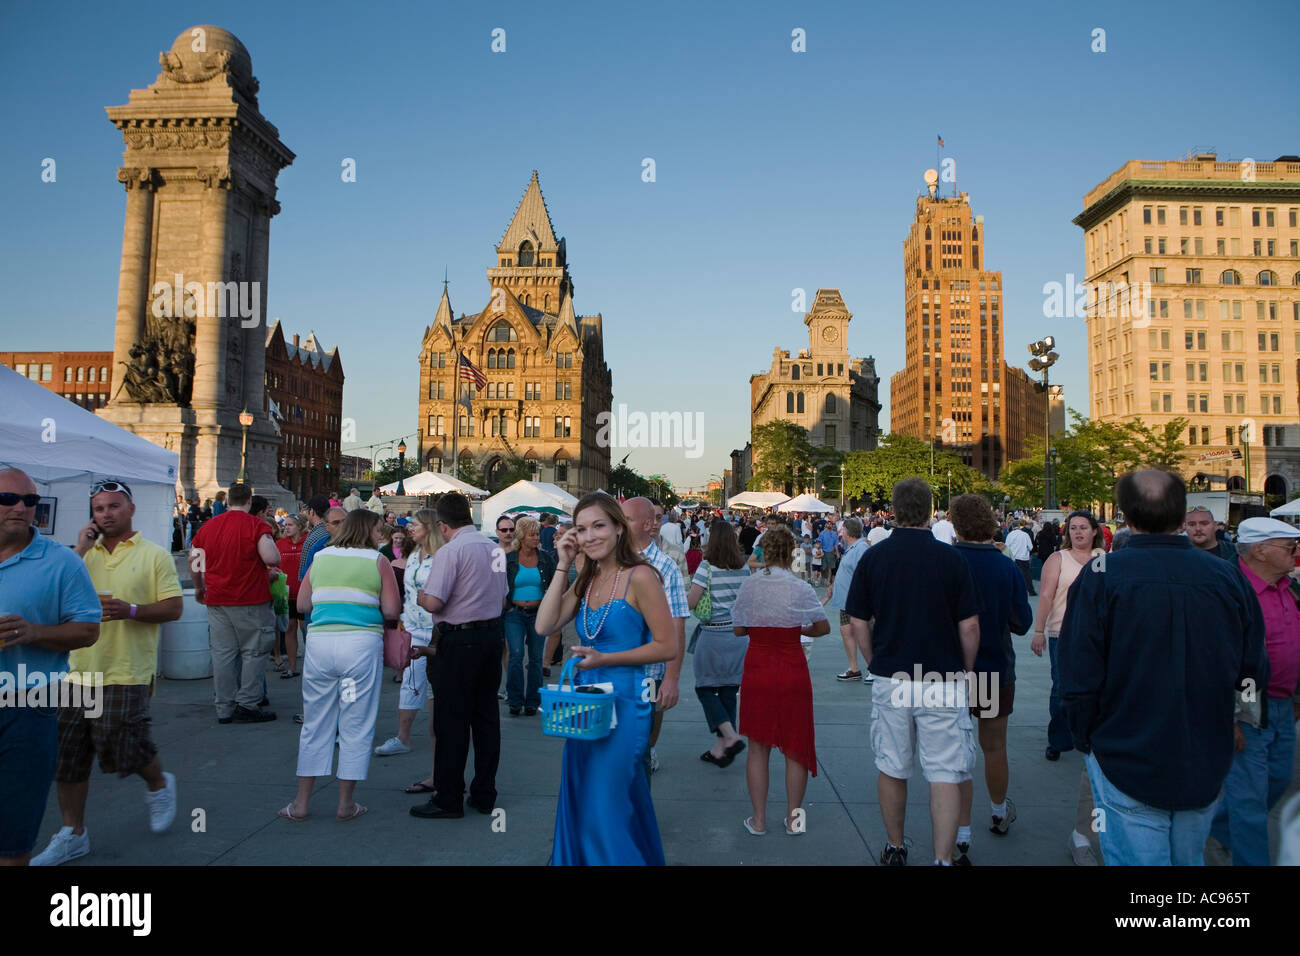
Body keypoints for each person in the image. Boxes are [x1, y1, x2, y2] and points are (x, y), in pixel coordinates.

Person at [1060, 470, 1263, 866]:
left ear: (1125, 516)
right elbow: (1252, 667)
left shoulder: (1102, 577)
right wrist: (1240, 717)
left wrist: (1085, 735)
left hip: (1124, 754)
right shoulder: (1226, 577)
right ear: (1181, 514)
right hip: (1202, 754)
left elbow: (1077, 671)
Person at [31, 480, 184, 866]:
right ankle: (73, 834)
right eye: (98, 508)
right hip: (73, 670)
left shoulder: (153, 555)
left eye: (113, 507)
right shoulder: (76, 555)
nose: (106, 515)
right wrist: (80, 547)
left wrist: (130, 610)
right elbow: (45, 594)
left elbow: (173, 609)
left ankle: (159, 782)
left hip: (125, 669)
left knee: (125, 748)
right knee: (67, 757)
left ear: (131, 509)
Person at [535, 492, 677, 865]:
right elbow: (544, 624)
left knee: (606, 809)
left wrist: (606, 658)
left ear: (618, 527)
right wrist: (564, 565)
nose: (589, 536)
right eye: (581, 529)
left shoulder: (642, 576)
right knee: (584, 802)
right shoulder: (588, 577)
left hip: (626, 707)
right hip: (586, 706)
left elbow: (667, 645)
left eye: (598, 525)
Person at [845, 478, 980, 866]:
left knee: (892, 765)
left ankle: (895, 846)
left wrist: (873, 662)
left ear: (894, 508)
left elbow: (857, 620)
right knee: (945, 770)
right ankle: (942, 858)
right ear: (929, 510)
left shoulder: (874, 557)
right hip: (943, 676)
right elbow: (969, 626)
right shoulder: (953, 559)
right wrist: (966, 669)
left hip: (893, 675)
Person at [0, 469, 101, 866]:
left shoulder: (61, 563)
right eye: (8, 499)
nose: (21, 507)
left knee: (13, 832)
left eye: (30, 501)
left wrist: (33, 633)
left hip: (27, 705)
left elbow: (88, 630)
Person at [279, 509, 399, 822]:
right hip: (360, 646)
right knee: (356, 723)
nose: (380, 535)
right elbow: (391, 609)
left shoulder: (321, 558)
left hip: (321, 644)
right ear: (367, 530)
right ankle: (345, 803)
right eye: (377, 529)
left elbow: (303, 604)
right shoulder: (378, 561)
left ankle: (301, 802)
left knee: (316, 722)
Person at [409, 493, 508, 819]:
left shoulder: (451, 551)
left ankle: (448, 796)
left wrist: (422, 597)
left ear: (443, 524)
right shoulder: (493, 547)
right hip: (492, 636)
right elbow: (503, 593)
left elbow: (435, 602)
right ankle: (484, 792)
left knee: (452, 721)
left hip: (460, 639)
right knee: (486, 717)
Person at [1210, 517, 1300, 865]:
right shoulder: (1231, 590)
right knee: (1249, 801)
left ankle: (1215, 829)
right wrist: (1234, 716)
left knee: (1276, 781)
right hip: (1247, 707)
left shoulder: (1288, 588)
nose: (1294, 552)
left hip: (1281, 704)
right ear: (1260, 550)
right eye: (1288, 545)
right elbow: (1218, 657)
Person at [949, 494, 1032, 865]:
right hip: (994, 669)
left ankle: (961, 833)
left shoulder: (947, 563)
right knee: (994, 746)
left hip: (948, 672)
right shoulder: (1006, 567)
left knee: (955, 751)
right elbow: (1022, 622)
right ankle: (998, 812)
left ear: (955, 523)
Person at [730, 525, 828, 836]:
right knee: (795, 746)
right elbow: (822, 627)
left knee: (758, 746)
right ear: (791, 553)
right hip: (791, 665)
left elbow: (738, 629)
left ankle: (758, 820)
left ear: (765, 552)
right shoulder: (800, 588)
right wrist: (798, 630)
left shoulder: (750, 586)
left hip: (758, 666)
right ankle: (794, 820)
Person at [191, 483, 281, 723]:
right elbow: (272, 557)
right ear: (249, 502)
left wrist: (200, 587)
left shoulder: (208, 527)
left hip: (217, 599)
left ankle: (224, 706)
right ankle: (248, 704)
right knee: (253, 651)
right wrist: (267, 569)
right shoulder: (256, 525)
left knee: (223, 654)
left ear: (228, 501)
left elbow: (195, 561)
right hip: (251, 598)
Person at [621, 497, 689, 777]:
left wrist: (672, 678)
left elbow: (677, 627)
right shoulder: (609, 559)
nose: (619, 526)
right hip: (611, 671)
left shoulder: (665, 568)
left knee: (639, 748)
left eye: (626, 520)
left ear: (648, 524)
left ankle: (638, 816)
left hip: (648, 674)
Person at [1034, 511, 1105, 769]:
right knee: (1062, 685)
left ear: (1094, 531)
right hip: (1060, 631)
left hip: (1095, 634)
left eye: (1083, 527)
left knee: (1096, 685)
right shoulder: (1058, 558)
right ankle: (1059, 738)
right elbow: (1045, 595)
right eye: (1073, 528)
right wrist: (1039, 630)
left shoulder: (1102, 560)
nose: (1078, 532)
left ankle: (1088, 733)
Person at [375, 510, 444, 767]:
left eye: (415, 525)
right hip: (413, 627)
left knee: (435, 685)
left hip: (436, 629)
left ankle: (436, 738)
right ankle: (403, 737)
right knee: (412, 681)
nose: (410, 529)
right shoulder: (414, 555)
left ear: (429, 527)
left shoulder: (442, 556)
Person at [687, 519, 751, 767]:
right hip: (737, 636)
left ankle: (732, 737)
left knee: (704, 688)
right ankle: (722, 749)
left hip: (712, 635)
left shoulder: (707, 567)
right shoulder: (743, 568)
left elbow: (692, 602)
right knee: (727, 691)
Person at [504, 517, 556, 717]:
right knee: (516, 655)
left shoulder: (545, 559)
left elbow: (554, 586)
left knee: (535, 658)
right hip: (514, 613)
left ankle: (533, 701)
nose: (536, 538)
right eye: (532, 534)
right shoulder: (510, 560)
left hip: (538, 614)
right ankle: (515, 699)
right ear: (521, 537)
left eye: (537, 534)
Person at [826, 517, 871, 683]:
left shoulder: (860, 548)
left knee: (862, 632)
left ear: (848, 532)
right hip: (846, 600)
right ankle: (854, 668)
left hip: (855, 600)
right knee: (847, 632)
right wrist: (834, 585)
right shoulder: (852, 548)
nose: (840, 532)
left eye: (842, 529)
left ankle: (873, 668)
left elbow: (864, 574)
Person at [275, 514, 306, 679]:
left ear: (300, 526)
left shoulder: (308, 543)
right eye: (285, 525)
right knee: (289, 628)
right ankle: (292, 667)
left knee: (305, 628)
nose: (286, 528)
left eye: (290, 525)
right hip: (285, 594)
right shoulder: (279, 544)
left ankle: (311, 665)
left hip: (305, 593)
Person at [1005, 521, 1035, 595]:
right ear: (1019, 526)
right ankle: (1030, 590)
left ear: (1012, 526)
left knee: (1014, 575)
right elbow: (1031, 547)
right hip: (1024, 557)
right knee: (1027, 575)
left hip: (1014, 557)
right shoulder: (1025, 535)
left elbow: (1006, 546)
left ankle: (1014, 590)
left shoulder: (1010, 535)